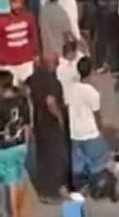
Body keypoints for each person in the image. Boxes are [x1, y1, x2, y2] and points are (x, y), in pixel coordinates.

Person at [29, 53, 69, 201]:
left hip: (39, 125)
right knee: (55, 158)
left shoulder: (34, 79)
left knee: (43, 157)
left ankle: (44, 190)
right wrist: (60, 118)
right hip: (50, 125)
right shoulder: (52, 81)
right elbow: (50, 102)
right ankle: (54, 191)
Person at [64, 56, 107, 187]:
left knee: (77, 163)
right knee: (96, 162)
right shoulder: (92, 92)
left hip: (74, 131)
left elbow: (66, 107)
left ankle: (78, 186)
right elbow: (97, 114)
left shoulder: (69, 88)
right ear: (91, 72)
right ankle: (95, 187)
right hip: (90, 131)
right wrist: (101, 129)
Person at [0, 68, 30, 217]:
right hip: (20, 144)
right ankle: (19, 211)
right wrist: (27, 145)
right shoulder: (22, 100)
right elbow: (27, 125)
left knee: (10, 183)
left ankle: (14, 214)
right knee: (17, 180)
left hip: (4, 148)